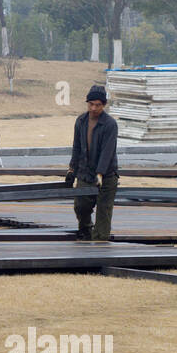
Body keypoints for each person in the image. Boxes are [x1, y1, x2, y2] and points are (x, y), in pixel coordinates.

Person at [66, 85, 119, 241]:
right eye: (91, 104)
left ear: (104, 105)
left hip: (107, 175)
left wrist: (100, 173)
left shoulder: (109, 124)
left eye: (98, 105)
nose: (94, 108)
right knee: (80, 206)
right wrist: (71, 170)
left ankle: (100, 243)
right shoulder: (81, 121)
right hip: (85, 173)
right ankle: (86, 231)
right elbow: (76, 147)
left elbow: (107, 151)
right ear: (87, 103)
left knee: (104, 211)